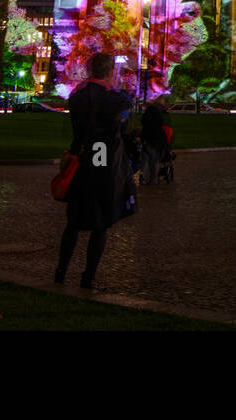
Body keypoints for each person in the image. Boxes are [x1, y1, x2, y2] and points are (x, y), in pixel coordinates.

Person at [56, 53, 135, 289]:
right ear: (110, 71)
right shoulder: (120, 100)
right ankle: (88, 277)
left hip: (83, 160)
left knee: (73, 221)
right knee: (101, 224)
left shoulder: (77, 97)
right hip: (106, 164)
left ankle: (61, 271)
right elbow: (123, 129)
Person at [140, 99, 168, 185]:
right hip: (157, 140)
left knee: (146, 160)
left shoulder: (146, 115)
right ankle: (153, 179)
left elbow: (143, 125)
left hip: (147, 139)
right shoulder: (158, 115)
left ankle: (145, 178)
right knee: (154, 160)